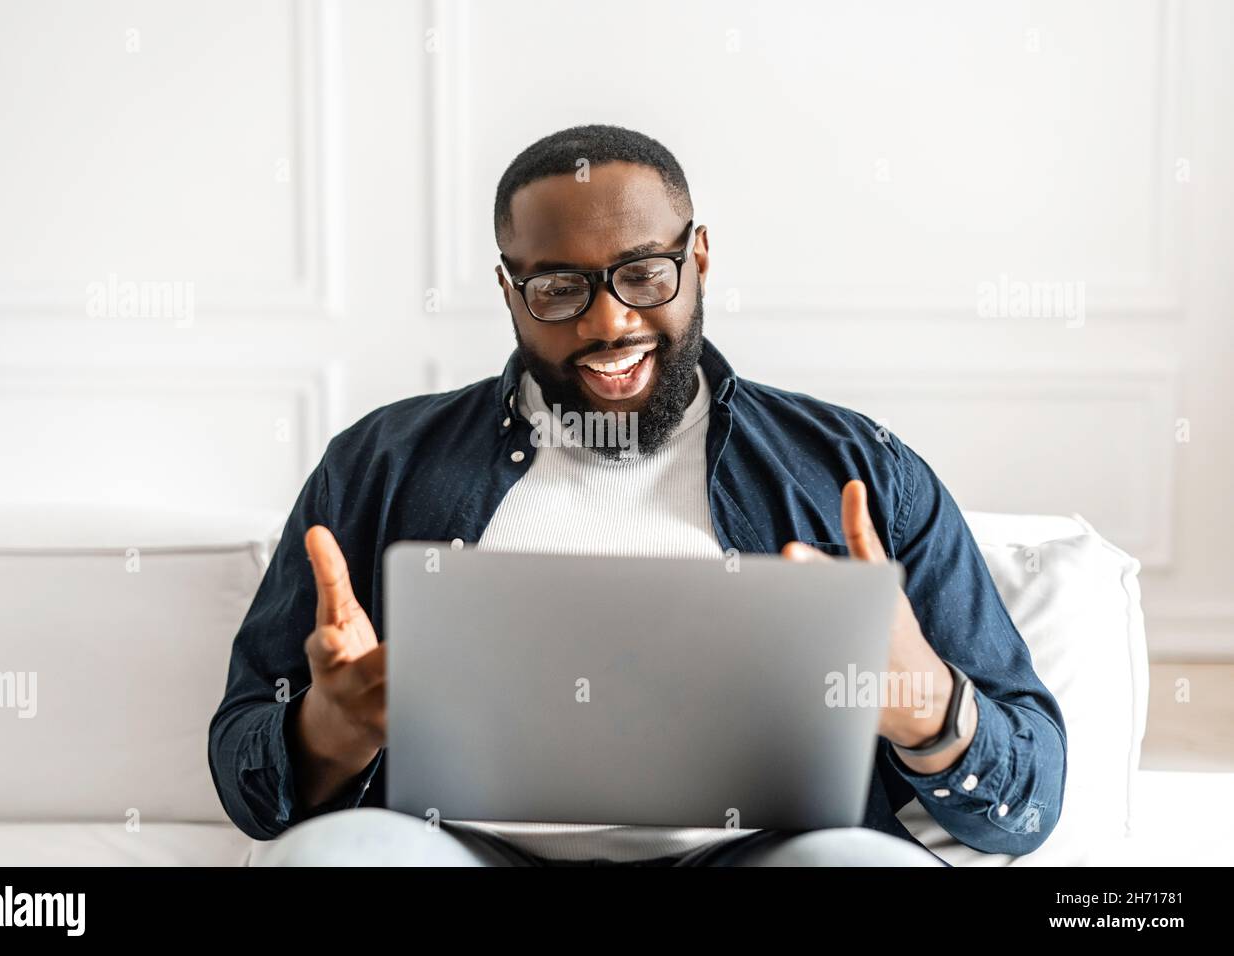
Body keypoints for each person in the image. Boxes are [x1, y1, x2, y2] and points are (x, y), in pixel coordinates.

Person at [208, 124, 1066, 866]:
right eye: (558, 288)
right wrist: (332, 728)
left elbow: (1032, 798)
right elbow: (247, 766)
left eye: (644, 274)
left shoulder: (858, 469)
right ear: (509, 292)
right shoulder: (378, 463)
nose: (609, 323)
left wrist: (930, 709)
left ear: (697, 258)